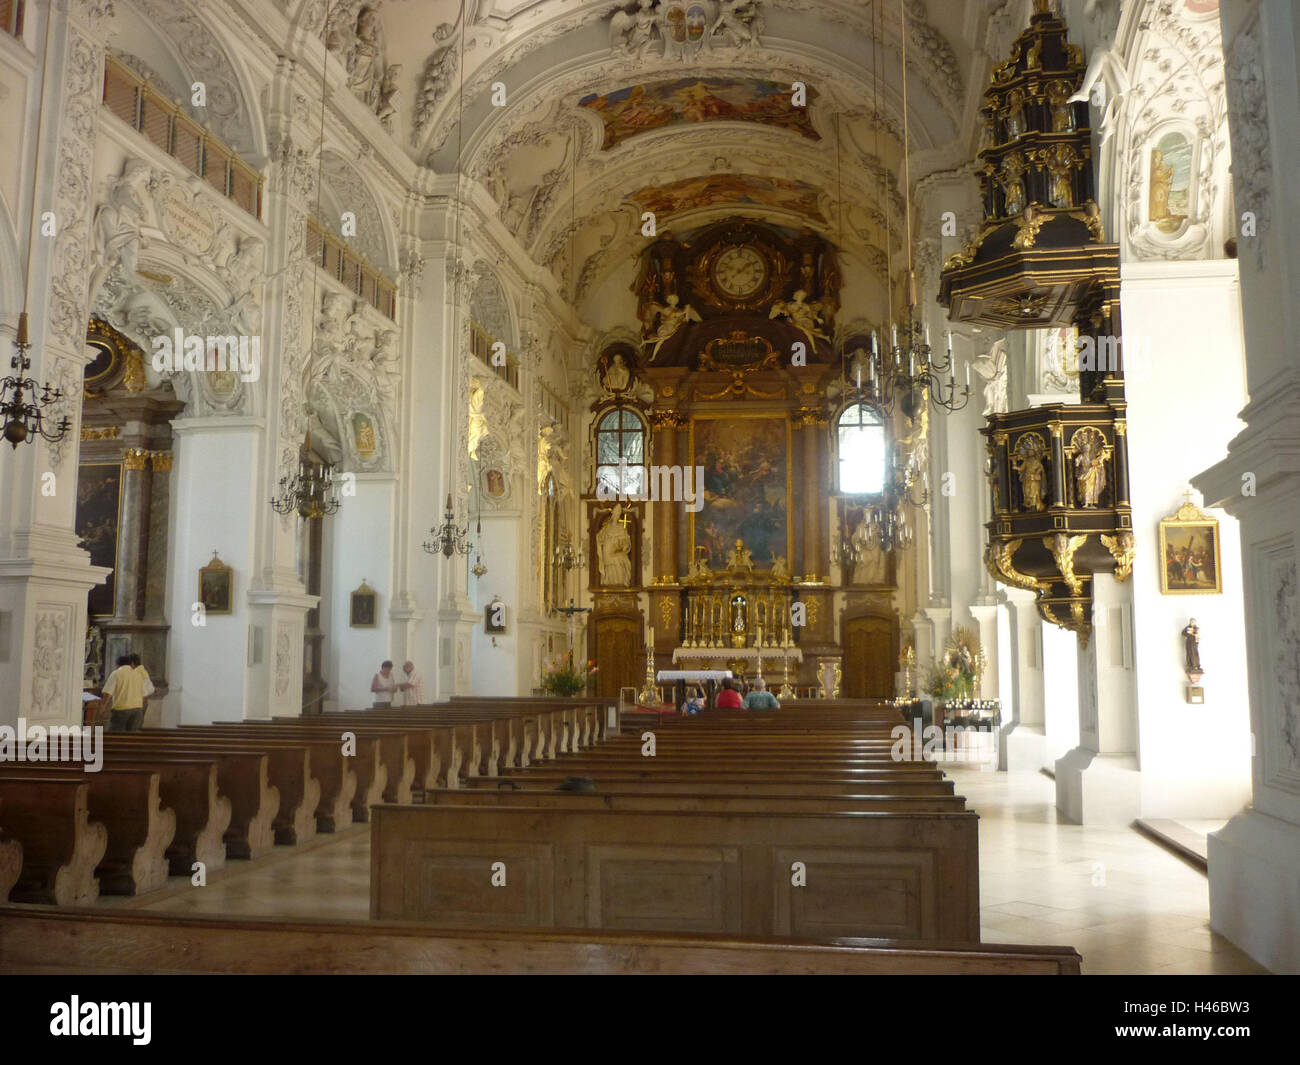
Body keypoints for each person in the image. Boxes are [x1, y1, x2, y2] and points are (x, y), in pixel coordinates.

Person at [101, 654, 146, 732]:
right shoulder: (138, 675)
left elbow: (108, 692)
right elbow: (143, 694)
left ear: (117, 665)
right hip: (137, 709)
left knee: (116, 736)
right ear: (130, 664)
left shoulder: (117, 673)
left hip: (121, 709)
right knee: (132, 738)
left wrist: (103, 707)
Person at [130, 653, 155, 725]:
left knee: (133, 726)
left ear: (132, 663)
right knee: (138, 725)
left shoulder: (135, 672)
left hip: (137, 703)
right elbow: (151, 689)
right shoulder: (143, 671)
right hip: (143, 701)